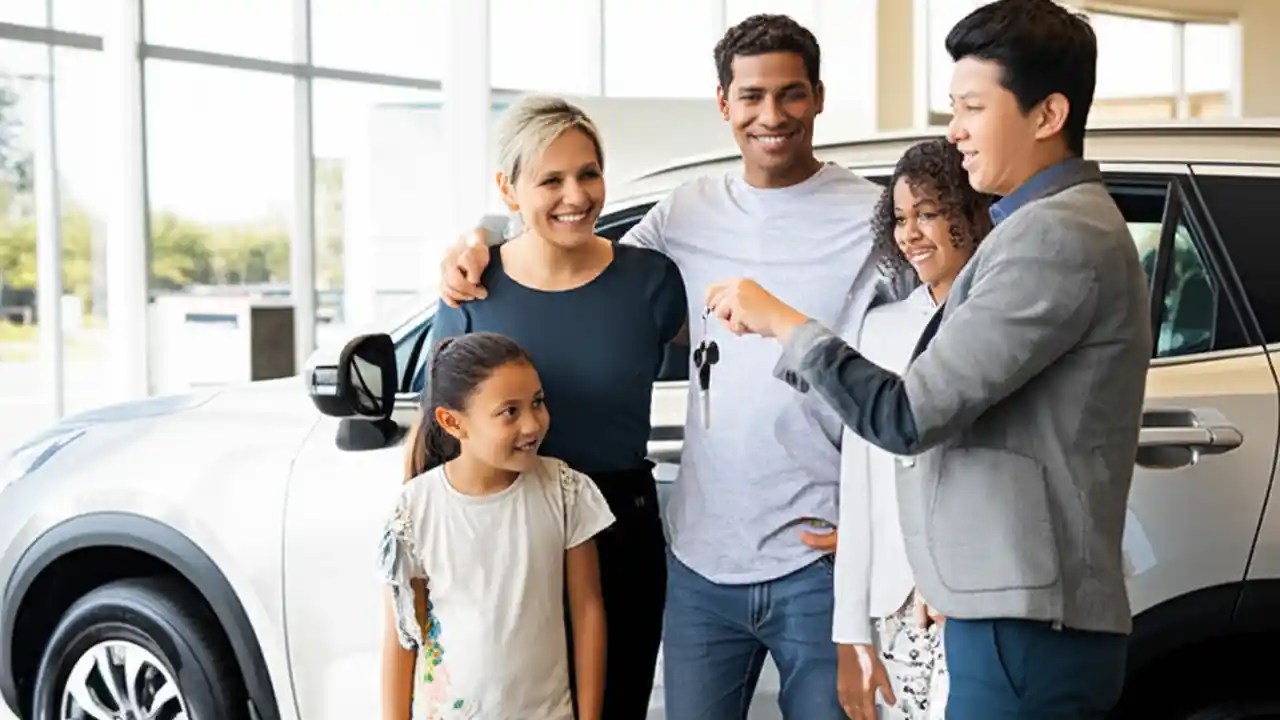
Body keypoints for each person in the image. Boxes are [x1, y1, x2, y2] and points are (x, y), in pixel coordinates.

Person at [436, 14, 900, 719]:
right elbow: (575, 248)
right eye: (750, 96)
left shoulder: (873, 218)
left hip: (817, 559)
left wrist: (881, 523)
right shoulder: (686, 214)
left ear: (819, 96)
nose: (770, 115)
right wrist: (481, 236)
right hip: (697, 561)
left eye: (791, 94)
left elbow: (927, 376)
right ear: (724, 104)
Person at [703, 1, 1153, 718]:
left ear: (1048, 114)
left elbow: (909, 413)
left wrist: (787, 323)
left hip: (1030, 627)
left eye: (973, 106)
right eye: (954, 106)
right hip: (1007, 613)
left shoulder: (1055, 238)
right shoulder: (1037, 229)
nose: (955, 129)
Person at [420, 94, 687, 718]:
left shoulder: (651, 282)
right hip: (503, 531)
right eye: (551, 180)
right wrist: (476, 235)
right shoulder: (473, 288)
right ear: (509, 190)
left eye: (588, 173)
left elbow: (724, 364)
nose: (576, 195)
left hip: (621, 524)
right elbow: (442, 431)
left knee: (616, 704)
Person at [814, 138, 992, 720]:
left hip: (978, 602)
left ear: (972, 213)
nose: (910, 233)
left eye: (929, 213)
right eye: (900, 218)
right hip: (896, 604)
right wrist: (851, 632)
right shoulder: (881, 330)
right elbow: (860, 489)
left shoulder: (1001, 322)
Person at [379, 332, 615, 720]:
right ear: (453, 422)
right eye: (510, 411)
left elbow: (588, 612)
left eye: (537, 403)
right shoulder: (415, 510)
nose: (532, 424)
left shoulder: (564, 491)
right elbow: (402, 638)